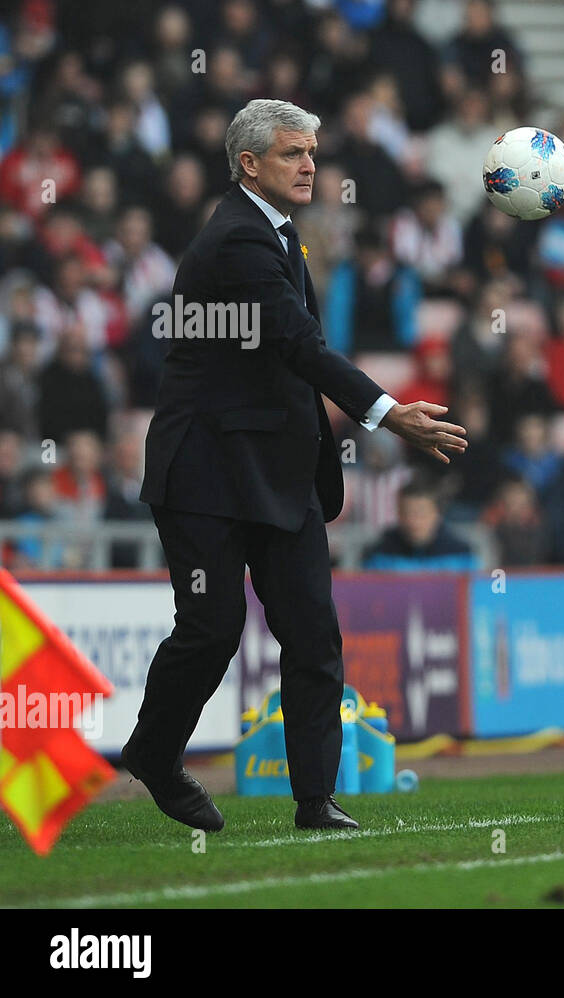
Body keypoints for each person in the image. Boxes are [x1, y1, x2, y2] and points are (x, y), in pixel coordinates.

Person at [127, 99, 468, 833]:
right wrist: (387, 412)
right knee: (212, 630)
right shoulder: (237, 241)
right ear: (249, 164)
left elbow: (288, 355)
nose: (310, 164)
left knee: (314, 636)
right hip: (207, 476)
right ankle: (153, 756)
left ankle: (315, 801)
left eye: (312, 150)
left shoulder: (279, 236)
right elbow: (297, 344)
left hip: (277, 475)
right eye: (292, 153)